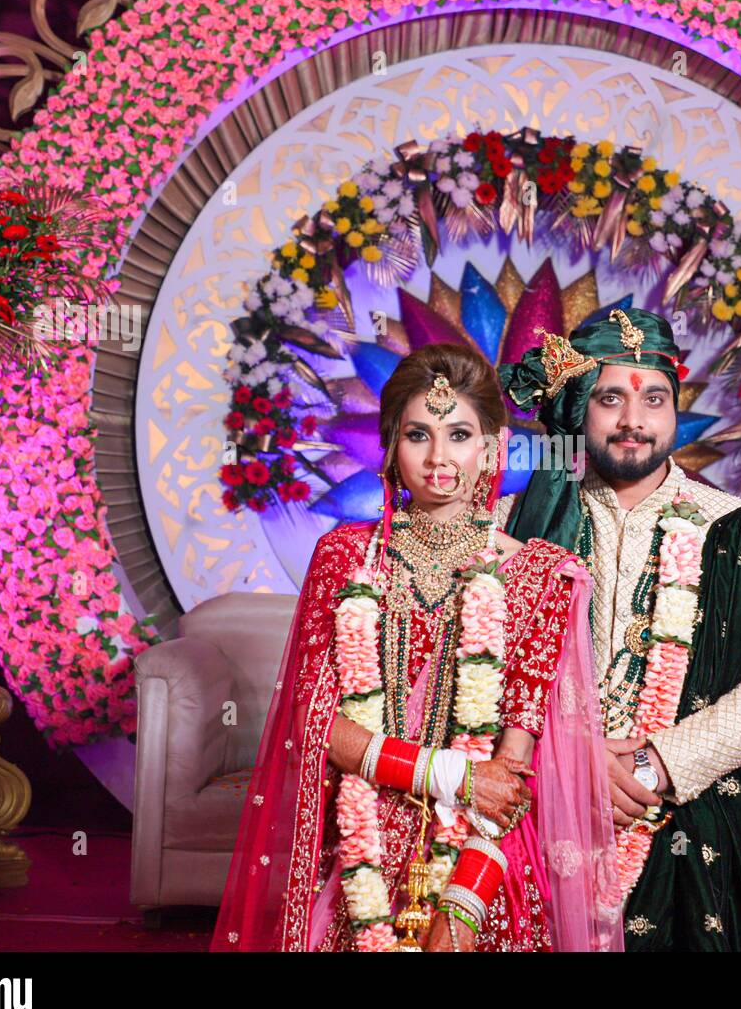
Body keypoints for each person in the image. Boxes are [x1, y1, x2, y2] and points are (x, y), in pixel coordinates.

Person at [212, 342, 622, 952]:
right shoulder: (346, 559)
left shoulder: (544, 577)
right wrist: (451, 773)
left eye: (459, 435)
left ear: (493, 448)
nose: (438, 458)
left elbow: (511, 780)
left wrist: (455, 915)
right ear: (389, 447)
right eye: (417, 435)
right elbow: (317, 724)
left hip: (481, 855)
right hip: (360, 844)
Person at [496, 305, 741, 951]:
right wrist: (574, 764)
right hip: (537, 808)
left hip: (685, 819)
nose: (633, 421)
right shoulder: (515, 524)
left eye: (654, 398)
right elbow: (478, 678)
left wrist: (653, 764)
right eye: (610, 398)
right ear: (579, 408)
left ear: (677, 408)